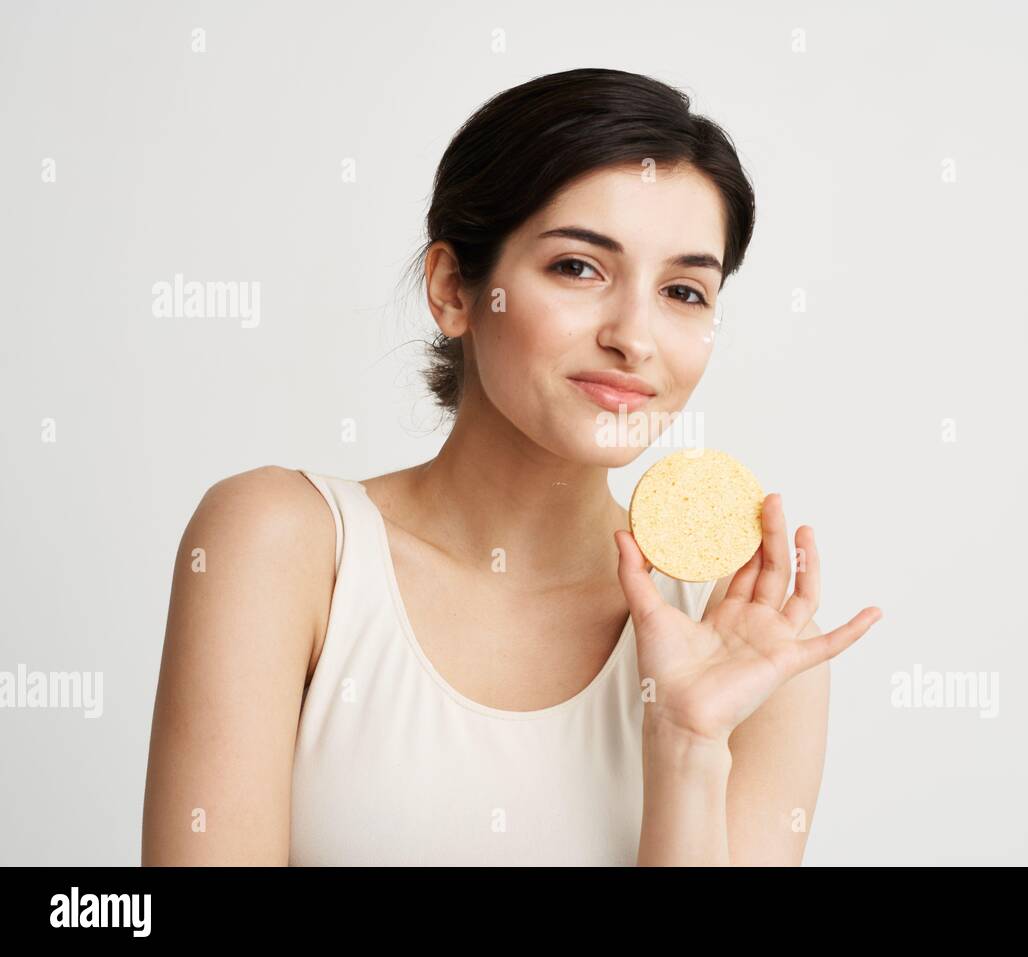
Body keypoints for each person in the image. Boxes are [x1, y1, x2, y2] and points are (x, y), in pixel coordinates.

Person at [141, 67, 882, 866]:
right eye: (578, 268)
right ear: (454, 287)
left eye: (684, 290)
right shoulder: (280, 546)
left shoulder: (749, 639)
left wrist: (688, 742)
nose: (635, 337)